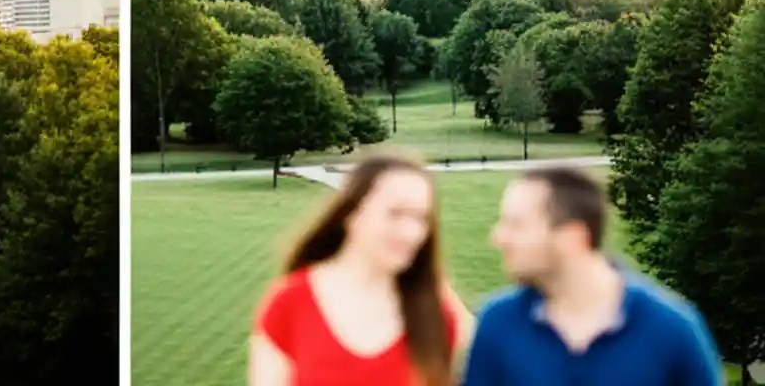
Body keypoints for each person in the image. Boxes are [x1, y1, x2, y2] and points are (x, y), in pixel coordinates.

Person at [462, 167, 722, 385]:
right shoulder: (497, 324)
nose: (498, 238)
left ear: (573, 237)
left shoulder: (671, 329)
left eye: (516, 225)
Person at [249, 155, 472, 386]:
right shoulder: (290, 304)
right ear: (351, 214)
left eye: (422, 218)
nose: (411, 233)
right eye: (396, 213)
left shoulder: (436, 315)